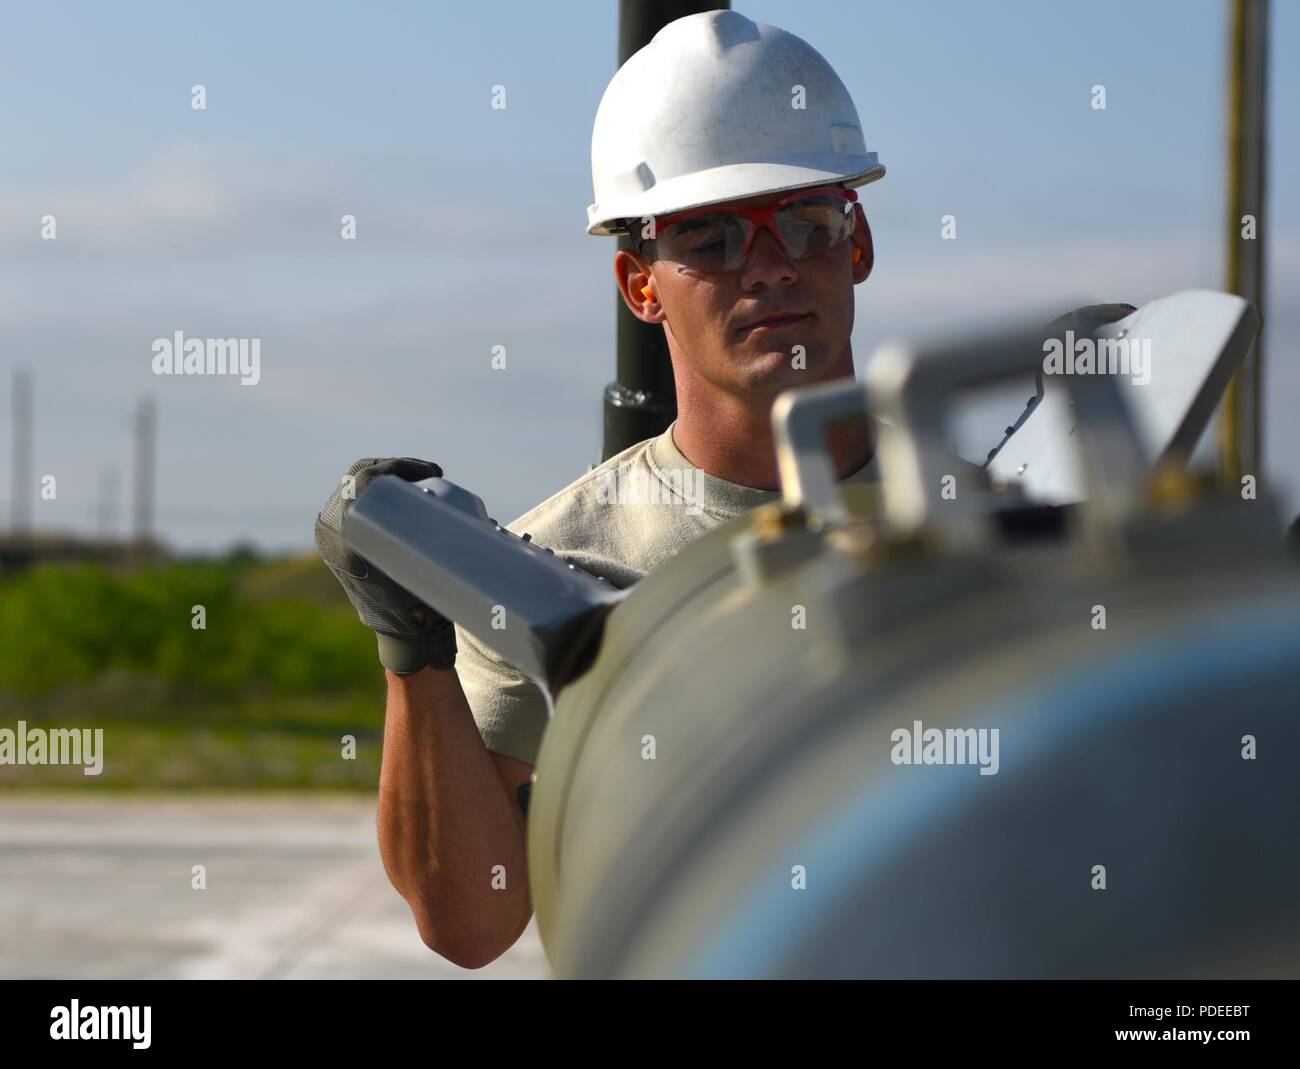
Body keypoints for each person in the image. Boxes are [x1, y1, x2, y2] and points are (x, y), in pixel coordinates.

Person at [315, 10, 893, 968]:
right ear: (640, 285)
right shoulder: (552, 577)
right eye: (707, 240)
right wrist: (410, 646)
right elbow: (471, 922)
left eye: (806, 221)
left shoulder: (990, 512)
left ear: (857, 242)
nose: (770, 265)